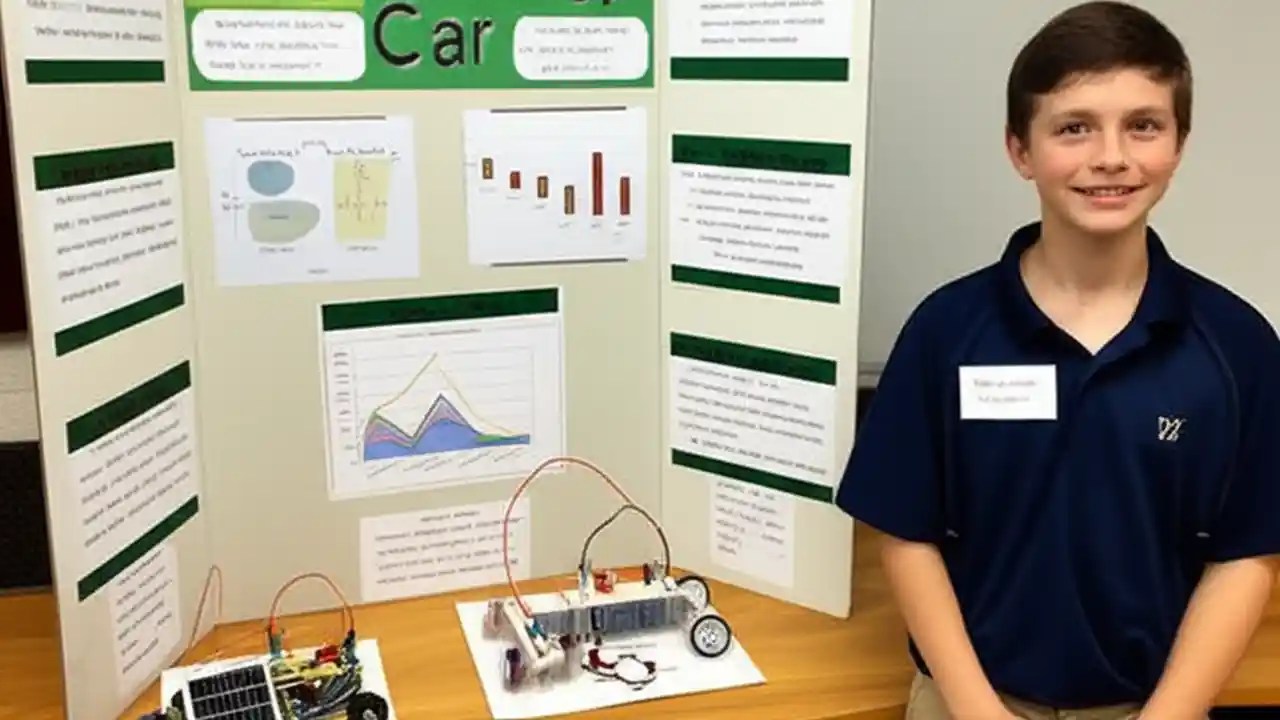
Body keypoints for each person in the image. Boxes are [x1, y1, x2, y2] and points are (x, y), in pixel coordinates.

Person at [836, 2, 1280, 719]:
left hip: (1154, 706)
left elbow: (1247, 554)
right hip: (970, 700)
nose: (1111, 156)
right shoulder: (946, 332)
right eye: (1074, 128)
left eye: (1143, 125)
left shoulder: (1237, 347)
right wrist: (978, 712)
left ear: (1180, 142)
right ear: (1020, 150)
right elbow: (907, 536)